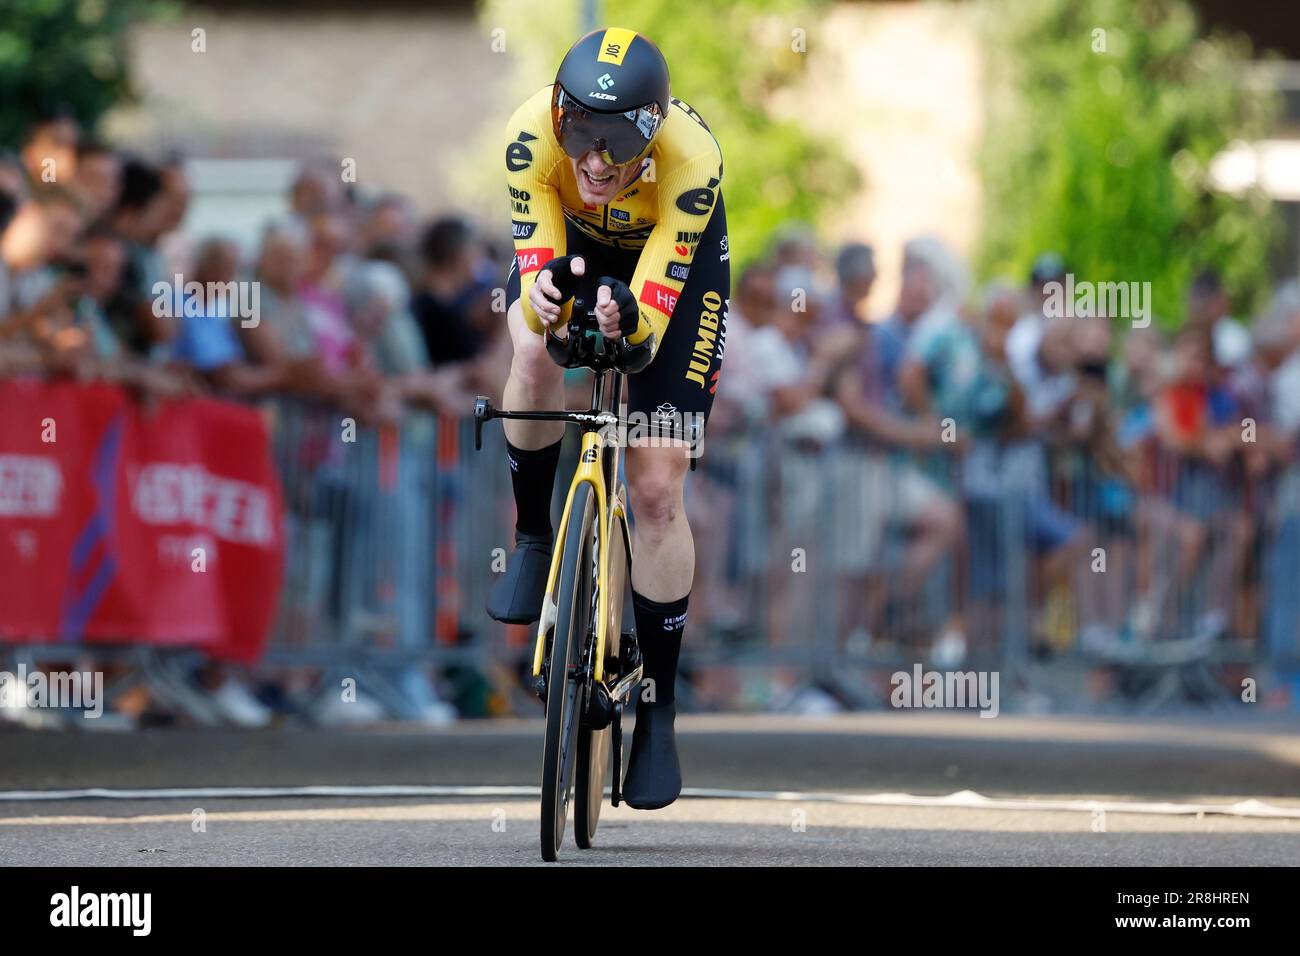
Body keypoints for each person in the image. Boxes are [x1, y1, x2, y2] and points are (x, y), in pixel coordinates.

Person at [488, 28, 728, 810]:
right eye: (580, 132)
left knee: (657, 484)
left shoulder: (693, 161)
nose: (594, 158)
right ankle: (532, 534)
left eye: (617, 138)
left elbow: (648, 329)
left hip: (668, 263)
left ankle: (658, 712)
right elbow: (537, 297)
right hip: (577, 244)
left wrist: (631, 323)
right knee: (530, 345)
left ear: (653, 132)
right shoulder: (530, 138)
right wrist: (552, 307)